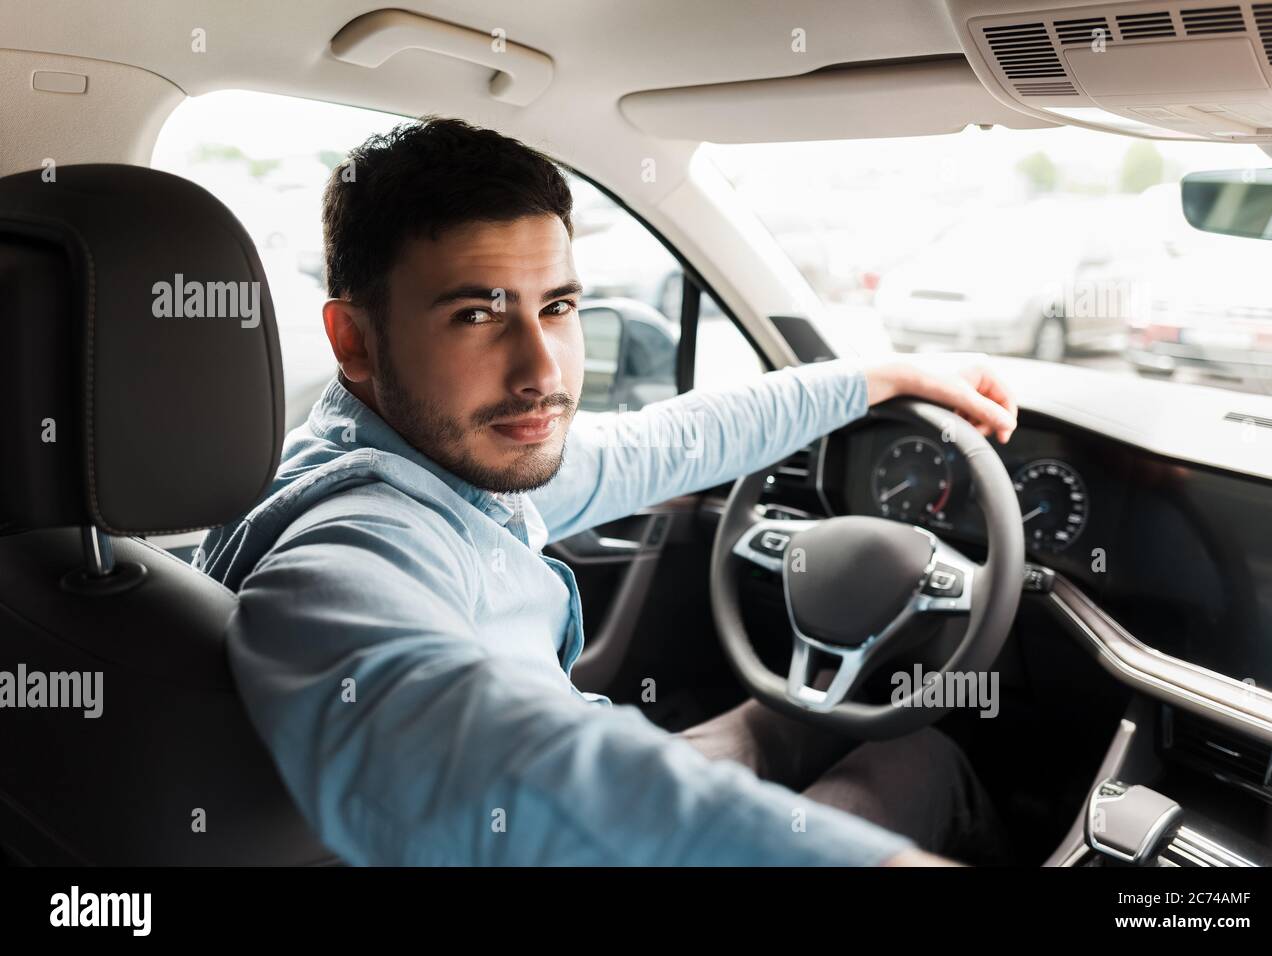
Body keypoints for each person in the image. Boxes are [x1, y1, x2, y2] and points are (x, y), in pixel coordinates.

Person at [196, 116, 1019, 866]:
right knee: (917, 758)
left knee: (793, 718)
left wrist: (885, 377)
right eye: (477, 318)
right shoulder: (355, 538)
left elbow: (663, 444)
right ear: (355, 340)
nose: (542, 374)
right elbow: (467, 750)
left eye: (555, 307)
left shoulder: (434, 456)